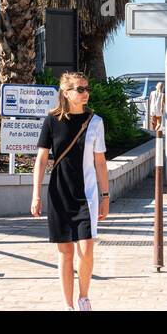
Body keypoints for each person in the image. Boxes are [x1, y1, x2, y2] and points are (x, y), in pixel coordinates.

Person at [32, 71, 109, 311]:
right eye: (80, 89)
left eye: (87, 88)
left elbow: (100, 163)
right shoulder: (51, 121)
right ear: (66, 93)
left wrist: (105, 196)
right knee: (65, 251)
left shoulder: (95, 122)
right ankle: (68, 305)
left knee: (86, 249)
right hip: (59, 192)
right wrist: (36, 194)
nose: (85, 93)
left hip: (86, 194)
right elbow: (41, 159)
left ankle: (84, 297)